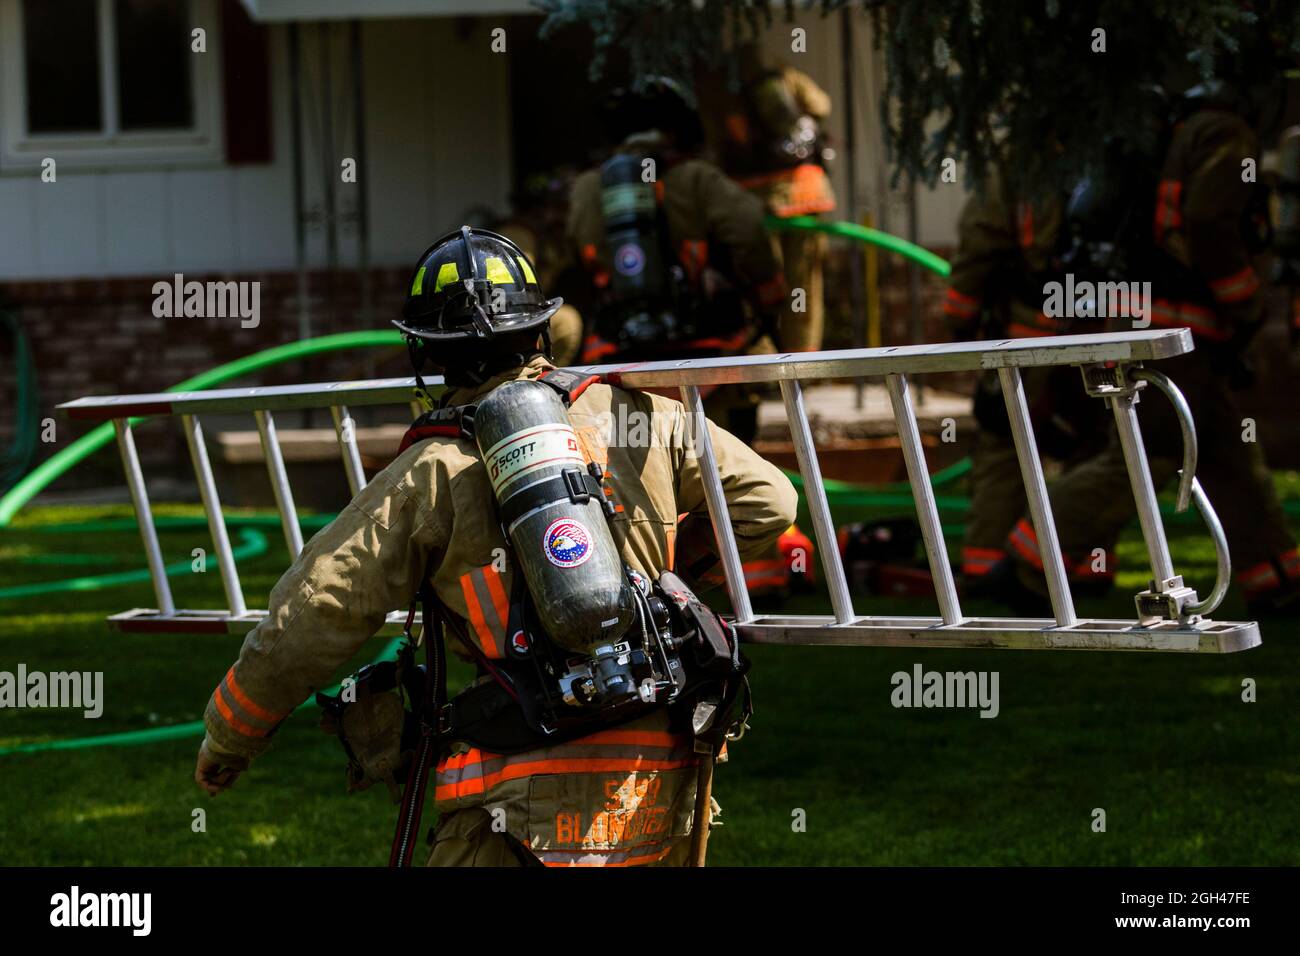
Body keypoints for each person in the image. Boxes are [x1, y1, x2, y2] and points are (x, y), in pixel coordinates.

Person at [193, 226, 797, 866]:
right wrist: (647, 583)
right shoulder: (641, 416)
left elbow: (319, 607)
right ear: (539, 329)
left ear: (429, 351)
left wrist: (229, 736)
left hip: (516, 807)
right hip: (658, 792)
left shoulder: (431, 469)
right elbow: (771, 503)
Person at [1002, 87, 1298, 617]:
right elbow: (1209, 223)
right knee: (1150, 454)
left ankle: (1276, 577)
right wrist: (1246, 302)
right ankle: (1031, 552)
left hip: (1159, 318)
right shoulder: (1227, 134)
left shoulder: (1180, 128)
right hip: (1175, 326)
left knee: (1227, 454)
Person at [567, 76, 786, 445]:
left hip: (622, 355)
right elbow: (747, 232)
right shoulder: (698, 179)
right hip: (706, 356)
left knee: (642, 463)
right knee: (720, 463)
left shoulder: (589, 187)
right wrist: (769, 296)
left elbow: (579, 252)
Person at [942, 173, 1111, 607]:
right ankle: (1087, 567)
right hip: (1104, 328)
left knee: (1005, 441)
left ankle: (988, 568)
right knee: (1096, 443)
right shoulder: (1115, 144)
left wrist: (959, 318)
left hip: (1028, 332)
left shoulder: (1019, 162)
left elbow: (981, 240)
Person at [718, 43, 837, 354]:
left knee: (765, 283)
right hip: (805, 193)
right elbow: (822, 105)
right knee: (804, 287)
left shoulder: (731, 93)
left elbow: (734, 138)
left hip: (759, 201)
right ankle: (804, 361)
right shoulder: (787, 76)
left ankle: (768, 361)